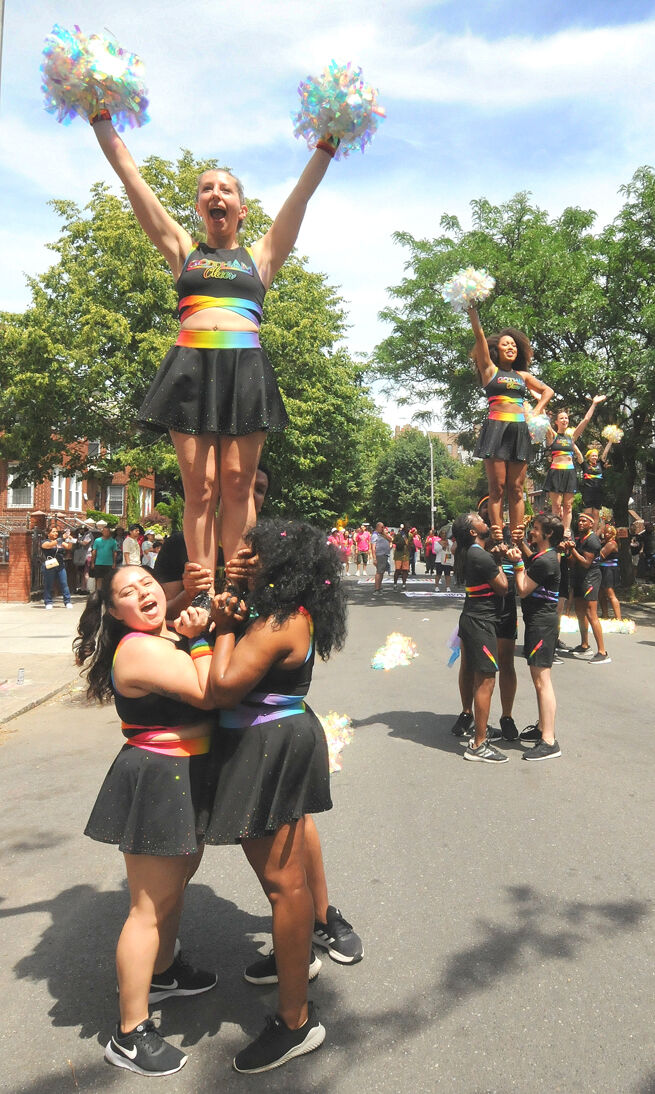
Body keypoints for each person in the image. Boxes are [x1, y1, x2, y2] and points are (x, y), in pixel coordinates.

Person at [90, 114, 338, 578]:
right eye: (206, 189)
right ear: (200, 208)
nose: (215, 194)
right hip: (190, 366)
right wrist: (98, 115)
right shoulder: (184, 250)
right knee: (200, 489)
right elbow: (130, 176)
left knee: (238, 483)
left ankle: (239, 584)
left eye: (225, 189)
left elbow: (301, 195)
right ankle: (202, 587)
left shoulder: (261, 256)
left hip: (245, 366)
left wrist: (330, 138)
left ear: (242, 209)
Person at [154, 467, 363, 969]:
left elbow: (285, 628)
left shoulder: (271, 551)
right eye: (243, 486)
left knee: (292, 822)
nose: (251, 494)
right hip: (191, 698)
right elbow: (152, 610)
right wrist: (184, 592)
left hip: (254, 708)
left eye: (260, 489)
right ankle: (157, 951)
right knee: (188, 830)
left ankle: (318, 917)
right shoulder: (183, 544)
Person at [204, 519, 346, 1073]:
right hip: (276, 740)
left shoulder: (279, 622)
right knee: (283, 883)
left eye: (250, 554)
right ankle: (296, 970)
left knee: (283, 887)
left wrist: (217, 626)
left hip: (270, 747)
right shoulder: (283, 612)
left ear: (279, 566)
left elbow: (221, 687)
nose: (241, 560)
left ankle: (296, 1022)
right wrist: (232, 593)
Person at [74, 568, 220, 1077]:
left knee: (177, 887)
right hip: (160, 774)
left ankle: (162, 972)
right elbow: (207, 691)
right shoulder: (138, 649)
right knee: (147, 908)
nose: (144, 594)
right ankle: (130, 1033)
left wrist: (186, 591)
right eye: (127, 593)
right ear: (115, 613)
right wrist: (201, 639)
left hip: (188, 770)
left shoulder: (159, 631)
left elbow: (175, 597)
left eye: (148, 584)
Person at [467, 307, 553, 533]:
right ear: (496, 349)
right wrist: (472, 309)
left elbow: (547, 391)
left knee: (516, 488)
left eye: (514, 345)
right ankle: (496, 530)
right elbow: (479, 336)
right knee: (497, 487)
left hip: (519, 431)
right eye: (506, 344)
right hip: (496, 429)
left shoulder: (523, 376)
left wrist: (536, 412)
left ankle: (517, 534)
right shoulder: (489, 370)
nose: (511, 347)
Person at [451, 512, 509, 763]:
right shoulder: (480, 555)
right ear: (473, 531)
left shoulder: (468, 553)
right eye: (477, 519)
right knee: (486, 680)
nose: (483, 519)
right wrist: (499, 562)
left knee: (474, 674)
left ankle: (479, 728)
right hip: (480, 622)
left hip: (472, 618)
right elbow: (503, 586)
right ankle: (478, 744)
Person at [508, 514, 564, 760]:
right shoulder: (544, 557)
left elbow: (522, 589)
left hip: (542, 624)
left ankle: (549, 740)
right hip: (538, 623)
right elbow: (533, 558)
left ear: (548, 534)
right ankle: (542, 727)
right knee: (538, 678)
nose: (532, 532)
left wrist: (517, 564)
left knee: (542, 680)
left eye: (536, 529)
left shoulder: (547, 560)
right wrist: (521, 545)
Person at [543, 397, 606, 536]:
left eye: (566, 418)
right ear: (556, 422)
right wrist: (541, 400)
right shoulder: (553, 436)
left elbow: (585, 421)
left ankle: (566, 531)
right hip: (556, 472)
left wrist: (594, 404)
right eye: (562, 418)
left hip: (570, 472)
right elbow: (543, 420)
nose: (565, 420)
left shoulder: (571, 438)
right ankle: (556, 531)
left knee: (568, 506)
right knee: (556, 506)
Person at [568, 512, 611, 665]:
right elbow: (573, 561)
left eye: (584, 521)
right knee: (579, 611)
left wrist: (572, 550)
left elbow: (586, 562)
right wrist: (568, 550)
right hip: (580, 578)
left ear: (591, 524)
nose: (580, 523)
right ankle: (585, 644)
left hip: (590, 578)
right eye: (579, 521)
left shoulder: (592, 540)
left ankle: (602, 651)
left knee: (591, 613)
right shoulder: (580, 539)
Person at [581, 439, 613, 529]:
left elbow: (605, 453)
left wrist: (610, 441)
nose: (595, 457)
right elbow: (579, 455)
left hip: (598, 492)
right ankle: (587, 531)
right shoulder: (585, 465)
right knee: (588, 514)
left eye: (596, 456)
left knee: (596, 514)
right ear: (588, 457)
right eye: (593, 456)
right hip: (588, 492)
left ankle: (594, 533)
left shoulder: (600, 465)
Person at [41, 525, 73, 609]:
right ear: (48, 534)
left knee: (64, 583)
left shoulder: (60, 542)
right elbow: (49, 545)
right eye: (53, 531)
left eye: (56, 531)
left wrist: (70, 539)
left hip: (60, 565)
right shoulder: (44, 542)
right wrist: (61, 538)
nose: (55, 533)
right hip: (50, 565)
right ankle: (48, 602)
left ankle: (67, 601)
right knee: (48, 584)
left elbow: (69, 547)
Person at [599, 524, 622, 621]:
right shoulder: (604, 542)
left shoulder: (611, 544)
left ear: (613, 534)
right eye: (605, 532)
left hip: (609, 570)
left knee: (610, 593)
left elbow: (601, 555)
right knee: (600, 593)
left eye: (609, 532)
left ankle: (618, 618)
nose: (606, 534)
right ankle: (605, 614)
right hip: (602, 569)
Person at [91, 523, 119, 592]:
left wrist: (114, 563)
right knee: (98, 579)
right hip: (98, 562)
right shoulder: (97, 540)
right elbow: (94, 551)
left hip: (109, 563)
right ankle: (98, 593)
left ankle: (107, 593)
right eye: (105, 531)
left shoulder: (113, 541)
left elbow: (114, 552)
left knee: (109, 579)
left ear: (110, 532)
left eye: (108, 531)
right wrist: (92, 563)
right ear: (102, 532)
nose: (106, 533)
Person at [371, 522, 393, 593]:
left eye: (383, 527)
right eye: (381, 527)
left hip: (385, 554)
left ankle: (379, 587)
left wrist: (384, 533)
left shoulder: (383, 534)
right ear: (377, 527)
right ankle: (376, 589)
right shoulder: (375, 535)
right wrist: (374, 558)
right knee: (379, 572)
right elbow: (373, 547)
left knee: (382, 572)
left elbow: (391, 539)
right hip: (379, 555)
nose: (383, 528)